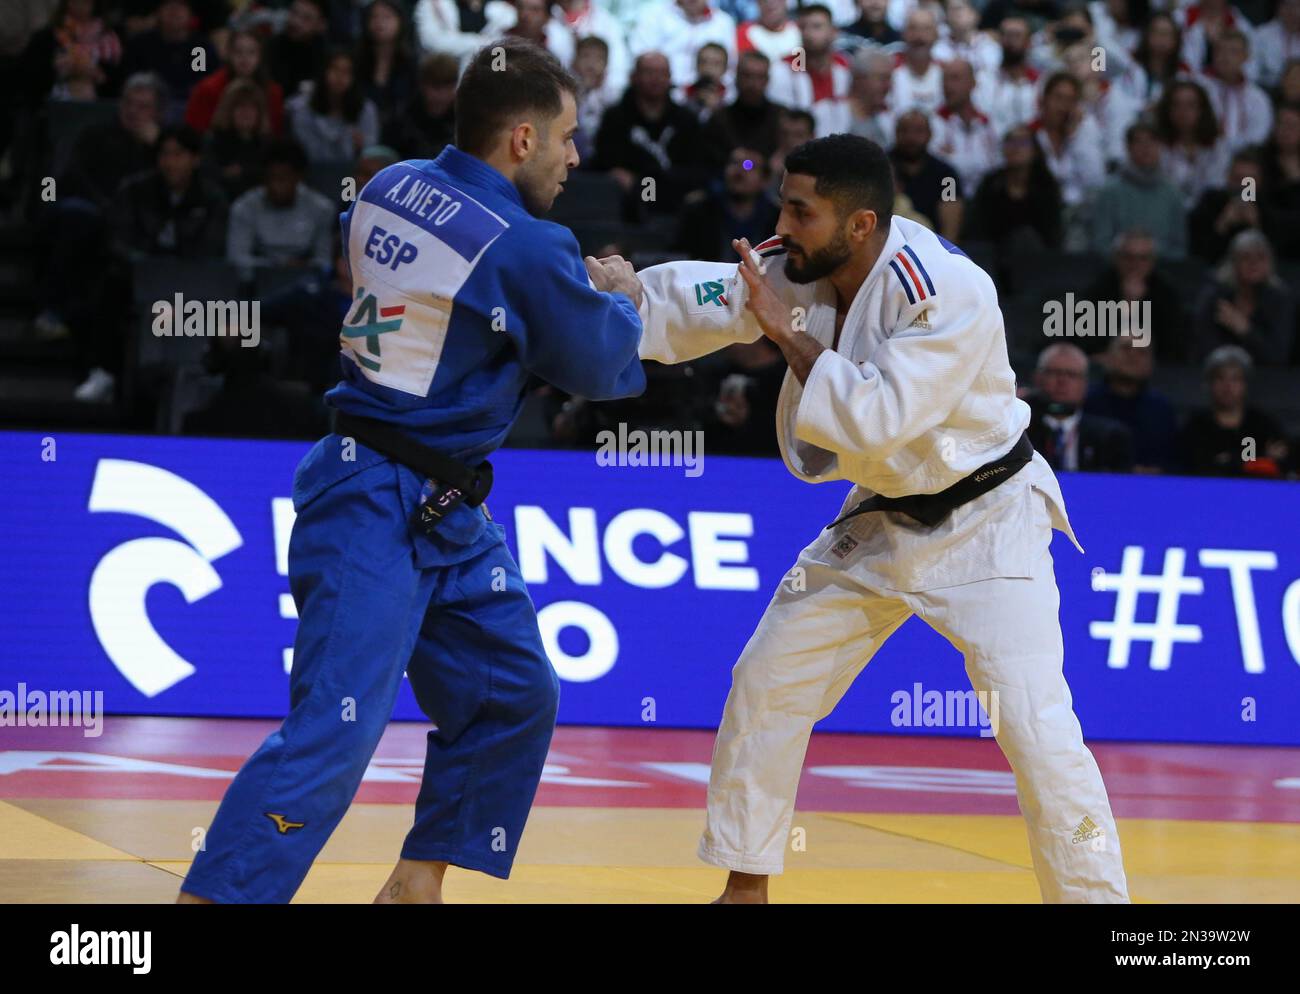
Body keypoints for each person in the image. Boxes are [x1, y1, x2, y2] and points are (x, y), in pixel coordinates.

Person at [178, 38, 647, 905]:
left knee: (515, 692)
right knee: (332, 735)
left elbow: (473, 295)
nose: (575, 158)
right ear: (519, 141)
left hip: (432, 499)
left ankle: (415, 884)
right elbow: (599, 365)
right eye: (567, 138)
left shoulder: (391, 184)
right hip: (378, 502)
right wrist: (614, 293)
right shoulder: (529, 243)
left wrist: (550, 291)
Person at [631, 133, 1130, 904]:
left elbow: (870, 420)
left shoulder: (948, 292)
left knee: (1034, 728)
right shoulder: (804, 262)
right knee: (769, 679)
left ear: (859, 223)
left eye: (801, 211)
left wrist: (784, 332)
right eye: (782, 205)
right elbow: (717, 297)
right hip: (881, 518)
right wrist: (614, 297)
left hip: (986, 523)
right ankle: (745, 888)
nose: (783, 224)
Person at [1178, 345, 1291, 477]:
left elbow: (1282, 461)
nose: (1228, 387)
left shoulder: (1263, 425)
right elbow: (1192, 468)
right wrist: (1256, 460)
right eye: (1220, 378)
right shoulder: (1196, 427)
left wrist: (1230, 461)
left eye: (1235, 379)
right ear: (1209, 384)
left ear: (1245, 384)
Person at [1025, 343, 1134, 472]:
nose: (1062, 381)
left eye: (1072, 374)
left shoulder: (1111, 438)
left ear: (1085, 384)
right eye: (1054, 372)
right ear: (1038, 378)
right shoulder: (1021, 432)